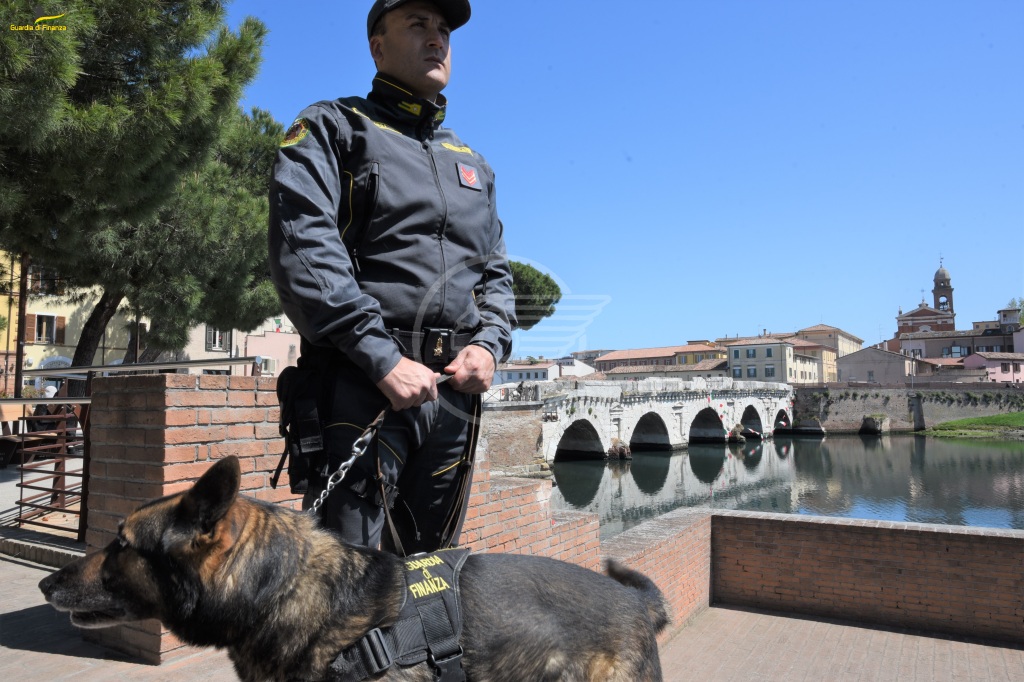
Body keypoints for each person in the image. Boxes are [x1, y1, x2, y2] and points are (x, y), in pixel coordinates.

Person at [268, 0, 515, 555]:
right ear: (377, 46)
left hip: (453, 396)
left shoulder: (473, 162)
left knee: (430, 573)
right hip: (360, 387)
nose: (437, 40)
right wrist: (381, 357)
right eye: (418, 25)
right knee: (347, 585)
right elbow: (303, 244)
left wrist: (489, 347)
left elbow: (495, 271)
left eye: (444, 30)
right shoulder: (333, 127)